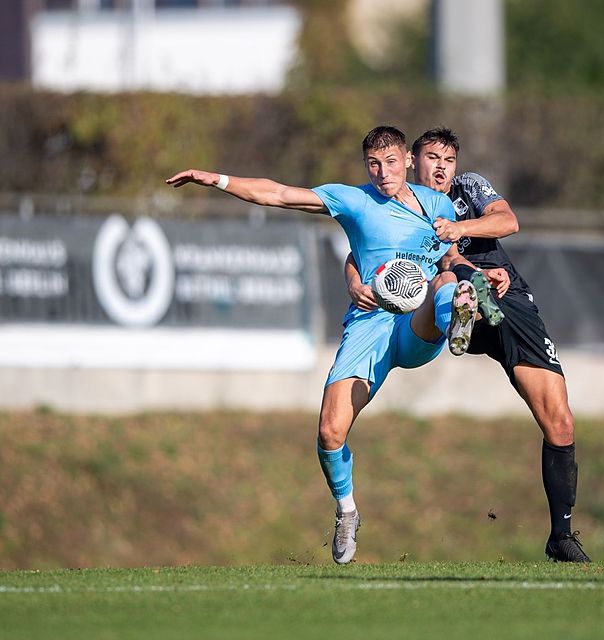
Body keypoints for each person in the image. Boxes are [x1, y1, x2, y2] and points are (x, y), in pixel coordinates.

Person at [166, 125, 509, 564]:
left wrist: (477, 275)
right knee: (329, 432)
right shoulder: (354, 200)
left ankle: (457, 318)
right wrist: (217, 179)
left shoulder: (439, 206)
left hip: (417, 325)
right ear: (366, 165)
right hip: (369, 325)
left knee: (445, 281)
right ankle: (347, 510)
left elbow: (450, 257)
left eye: (390, 162)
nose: (382, 173)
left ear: (406, 160)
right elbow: (280, 194)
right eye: (373, 164)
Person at [344, 127, 591, 562]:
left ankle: (562, 537)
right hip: (447, 293)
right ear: (410, 160)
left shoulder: (469, 187)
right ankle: (462, 309)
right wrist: (354, 280)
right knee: (448, 283)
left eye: (448, 160)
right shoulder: (394, 200)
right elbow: (360, 247)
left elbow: (507, 220)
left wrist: (459, 229)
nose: (441, 167)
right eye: (432, 158)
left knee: (561, 421)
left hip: (508, 298)